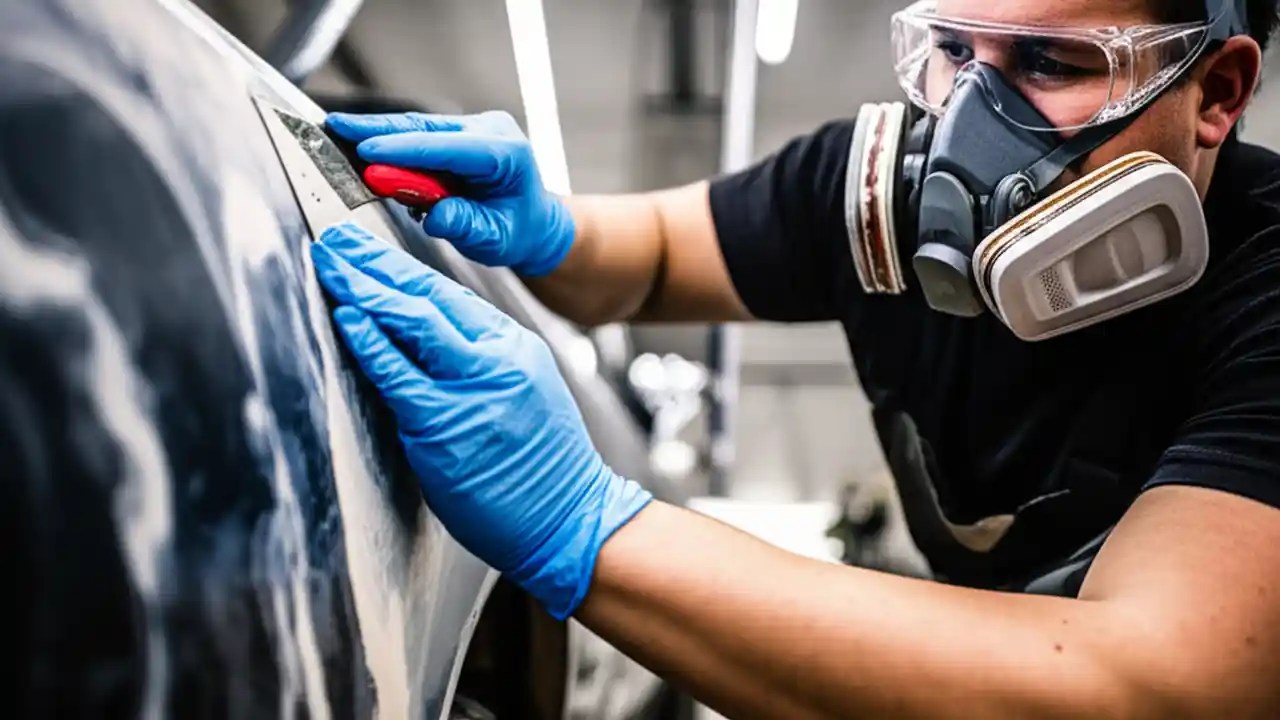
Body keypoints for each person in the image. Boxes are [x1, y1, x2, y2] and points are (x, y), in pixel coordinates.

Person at [309, 0, 1280, 716]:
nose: (967, 128)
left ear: (1215, 92)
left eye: (1049, 65)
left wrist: (591, 528)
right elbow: (645, 261)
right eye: (949, 51)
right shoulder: (862, 202)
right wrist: (551, 234)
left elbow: (1147, 689)